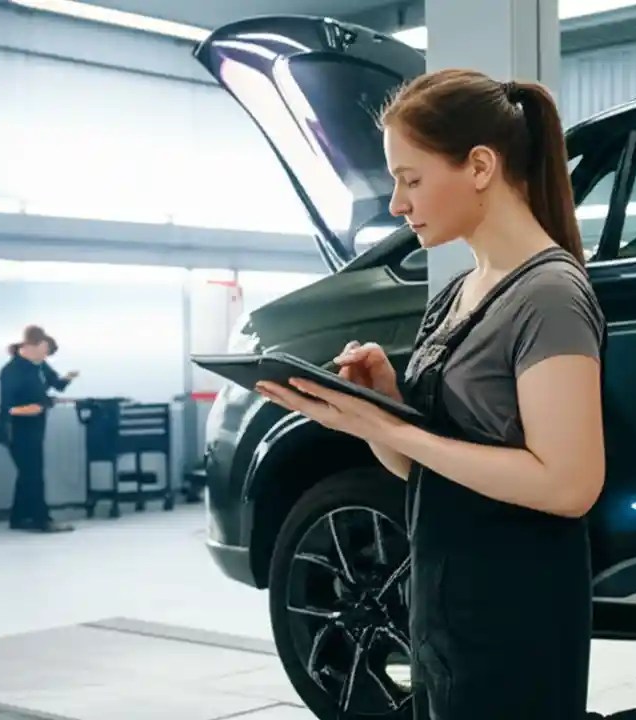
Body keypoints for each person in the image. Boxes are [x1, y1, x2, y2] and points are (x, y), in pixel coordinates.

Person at [256, 69, 606, 720]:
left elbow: (569, 484)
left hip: (516, 616)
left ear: (479, 166)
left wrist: (396, 429)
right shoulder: (456, 294)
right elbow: (420, 469)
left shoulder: (549, 295)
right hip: (445, 607)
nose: (396, 203)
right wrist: (380, 409)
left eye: (410, 179)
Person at [0, 325, 79, 533]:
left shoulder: (39, 366)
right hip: (16, 430)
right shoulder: (11, 371)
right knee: (32, 474)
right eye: (45, 351)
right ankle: (41, 520)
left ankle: (18, 518)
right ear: (34, 345)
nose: (46, 356)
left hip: (35, 428)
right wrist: (33, 408)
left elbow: (52, 386)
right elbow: (10, 408)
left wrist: (64, 383)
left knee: (27, 473)